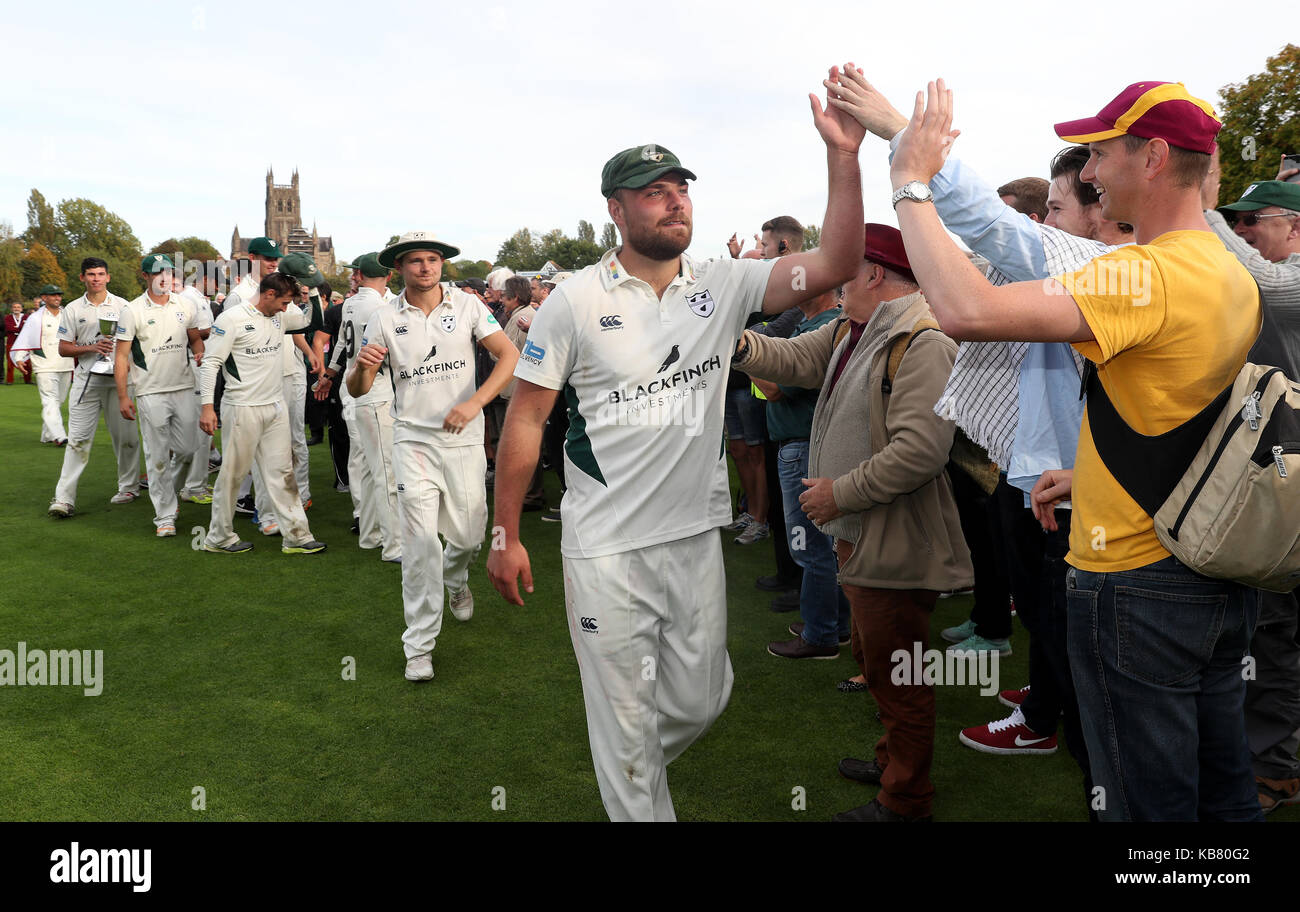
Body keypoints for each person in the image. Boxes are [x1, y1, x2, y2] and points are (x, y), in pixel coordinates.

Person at [487, 66, 866, 821]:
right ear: (615, 208)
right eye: (654, 189)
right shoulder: (574, 301)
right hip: (605, 548)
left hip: (695, 536)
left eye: (681, 186)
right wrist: (505, 532)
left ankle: (625, 767)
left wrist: (844, 157)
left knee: (701, 700)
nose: (674, 199)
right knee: (626, 727)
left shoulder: (723, 282)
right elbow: (526, 418)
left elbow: (836, 265)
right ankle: (631, 783)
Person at [888, 78, 1261, 821]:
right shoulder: (1227, 266)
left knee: (1142, 804)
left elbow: (966, 310)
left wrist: (910, 184)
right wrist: (1088, 471)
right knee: (1221, 791)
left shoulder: (1142, 272)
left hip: (1134, 579)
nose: (1089, 172)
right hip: (1211, 567)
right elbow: (1178, 412)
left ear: (1152, 158)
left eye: (1100, 153)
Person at [738, 223, 971, 822]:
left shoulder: (923, 339)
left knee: (899, 674)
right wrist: (734, 343)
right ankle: (896, 764)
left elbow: (921, 452)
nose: (834, 279)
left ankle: (904, 799)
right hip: (864, 534)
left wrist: (839, 494)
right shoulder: (853, 328)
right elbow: (789, 359)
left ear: (873, 274)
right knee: (879, 662)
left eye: (845, 267)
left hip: (894, 537)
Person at [347, 231, 519, 682]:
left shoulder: (467, 305)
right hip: (412, 440)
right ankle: (419, 646)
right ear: (398, 269)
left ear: (442, 264)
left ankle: (457, 577)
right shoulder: (383, 317)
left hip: (462, 438)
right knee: (420, 544)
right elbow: (357, 388)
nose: (425, 267)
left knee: (468, 536)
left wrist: (475, 403)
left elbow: (509, 356)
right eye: (415, 261)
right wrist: (363, 367)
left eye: (432, 259)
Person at [1204, 173, 1300, 814]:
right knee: (1271, 633)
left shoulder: (1284, 284)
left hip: (1290, 483)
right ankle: (1273, 761)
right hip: (1280, 480)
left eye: (1253, 219)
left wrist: (1201, 210)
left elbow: (1260, 287)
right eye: (1233, 220)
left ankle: (1276, 768)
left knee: (1276, 634)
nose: (1240, 232)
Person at [199, 271, 325, 555]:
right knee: (232, 474)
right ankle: (218, 537)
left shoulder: (279, 316)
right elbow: (210, 364)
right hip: (242, 406)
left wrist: (313, 289)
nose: (286, 308)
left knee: (283, 473)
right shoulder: (231, 319)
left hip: (274, 405)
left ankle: (296, 536)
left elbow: (312, 321)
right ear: (268, 295)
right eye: (283, 302)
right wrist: (208, 407)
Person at [114, 254, 207, 537]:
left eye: (168, 271)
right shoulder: (132, 310)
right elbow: (121, 356)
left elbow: (194, 337)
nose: (164, 277)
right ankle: (165, 515)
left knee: (189, 451)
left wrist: (200, 349)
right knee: (157, 456)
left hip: (182, 387)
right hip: (150, 391)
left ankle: (169, 494)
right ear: (145, 277)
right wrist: (122, 396)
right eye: (157, 273)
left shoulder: (185, 304)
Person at [318, 252, 402, 563]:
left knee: (366, 466)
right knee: (385, 471)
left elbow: (340, 343)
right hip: (375, 391)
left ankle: (369, 534)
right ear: (389, 276)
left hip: (353, 390)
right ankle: (395, 545)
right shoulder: (383, 307)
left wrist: (330, 374)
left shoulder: (350, 303)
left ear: (358, 275)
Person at [48, 258, 142, 517]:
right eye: (91, 274)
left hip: (121, 382)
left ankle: (129, 487)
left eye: (101, 274)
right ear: (82, 278)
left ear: (108, 277)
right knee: (77, 440)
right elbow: (64, 348)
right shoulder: (73, 308)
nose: (96, 278)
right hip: (86, 380)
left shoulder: (124, 306)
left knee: (127, 439)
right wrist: (92, 347)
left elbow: (136, 344)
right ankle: (63, 499)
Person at [13, 285, 73, 444]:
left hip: (65, 363)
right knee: (49, 400)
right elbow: (26, 337)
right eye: (53, 295)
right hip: (44, 364)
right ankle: (59, 436)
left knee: (58, 401)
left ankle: (47, 435)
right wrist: (19, 358)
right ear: (44, 298)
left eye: (59, 295)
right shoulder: (35, 318)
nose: (57, 298)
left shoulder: (68, 314)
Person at [5, 301, 32, 385]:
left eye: (18, 307)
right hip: (11, 342)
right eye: (14, 307)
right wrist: (20, 328)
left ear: (21, 309)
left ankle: (28, 380)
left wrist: (16, 328)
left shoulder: (26, 317)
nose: (16, 308)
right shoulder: (8, 317)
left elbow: (28, 328)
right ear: (12, 309)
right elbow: (9, 328)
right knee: (10, 362)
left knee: (27, 361)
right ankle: (9, 380)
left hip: (23, 342)